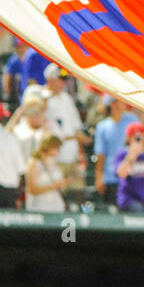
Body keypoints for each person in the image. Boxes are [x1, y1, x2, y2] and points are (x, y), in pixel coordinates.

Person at [42, 64, 88, 204]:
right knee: (57, 197)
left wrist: (81, 154)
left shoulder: (66, 98)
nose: (63, 83)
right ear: (50, 79)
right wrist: (75, 137)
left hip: (71, 157)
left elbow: (76, 127)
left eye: (64, 80)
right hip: (55, 159)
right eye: (60, 80)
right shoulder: (42, 98)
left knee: (77, 193)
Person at [93, 97, 141, 202]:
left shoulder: (133, 120)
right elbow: (100, 154)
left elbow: (140, 144)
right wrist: (99, 177)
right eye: (120, 101)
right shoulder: (102, 127)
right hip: (111, 177)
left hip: (131, 176)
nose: (124, 103)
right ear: (112, 104)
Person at [115, 123, 144, 213]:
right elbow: (121, 173)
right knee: (138, 209)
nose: (138, 140)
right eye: (135, 138)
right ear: (129, 138)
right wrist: (132, 155)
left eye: (141, 138)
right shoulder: (122, 154)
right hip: (128, 201)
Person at [24, 134, 67, 213]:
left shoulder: (56, 165)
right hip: (39, 207)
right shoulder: (34, 163)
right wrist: (54, 186)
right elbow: (32, 189)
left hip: (56, 206)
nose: (58, 151)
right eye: (56, 148)